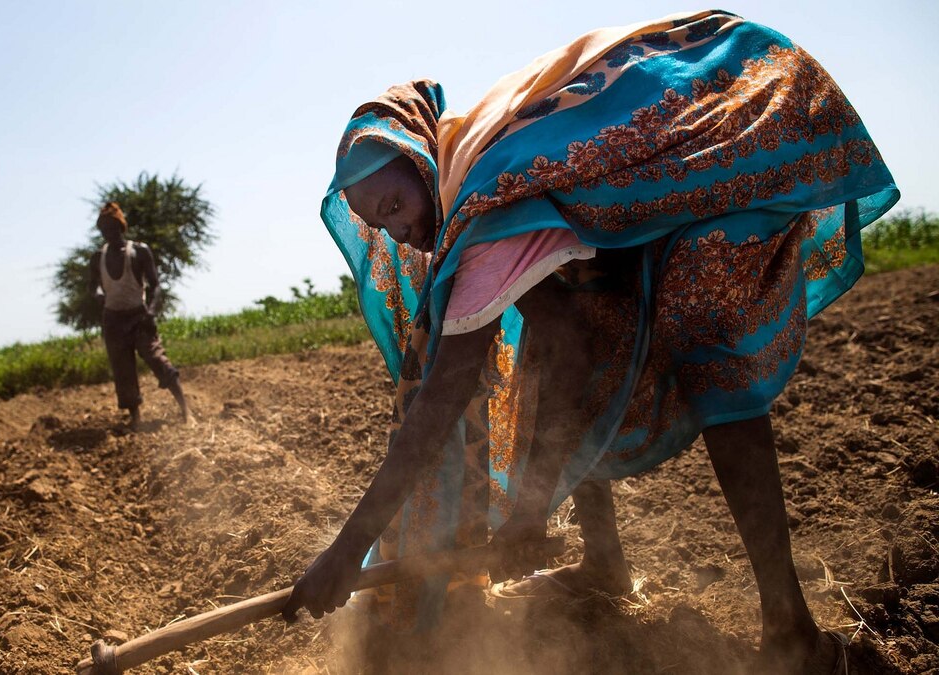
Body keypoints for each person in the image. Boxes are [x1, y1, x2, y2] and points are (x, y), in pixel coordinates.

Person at [281, 10, 898, 673]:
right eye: (382, 223)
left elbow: (437, 405)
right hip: (691, 156)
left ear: (419, 159)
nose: (400, 231)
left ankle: (792, 633)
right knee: (577, 339)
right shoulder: (471, 178)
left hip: (734, 130)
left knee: (709, 346)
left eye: (396, 205)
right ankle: (604, 561)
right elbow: (560, 337)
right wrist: (527, 508)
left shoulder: (484, 207)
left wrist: (347, 553)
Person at [88, 202, 193, 430]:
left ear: (121, 228)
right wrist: (98, 296)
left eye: (113, 229)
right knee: (123, 369)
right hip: (113, 320)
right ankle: (135, 419)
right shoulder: (98, 257)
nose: (110, 234)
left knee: (157, 359)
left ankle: (186, 411)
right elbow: (92, 286)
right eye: (105, 230)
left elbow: (156, 286)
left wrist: (151, 312)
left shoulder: (139, 251)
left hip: (139, 317)